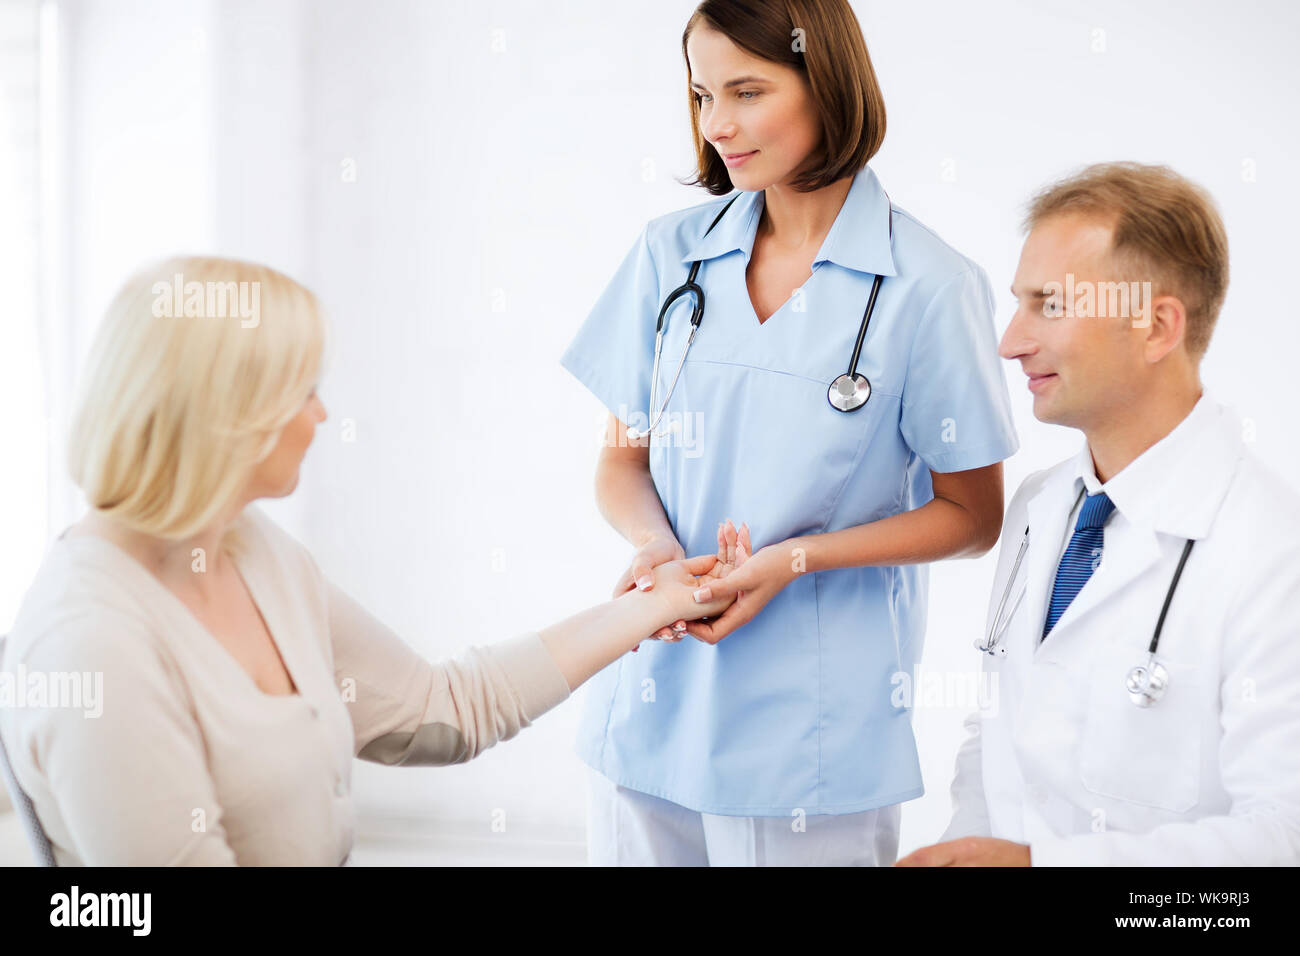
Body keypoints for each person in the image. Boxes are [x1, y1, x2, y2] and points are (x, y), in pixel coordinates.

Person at [0, 256, 742, 866]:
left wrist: (650, 603)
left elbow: (443, 710)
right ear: (231, 415)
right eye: (305, 392)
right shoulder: (90, 640)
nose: (323, 417)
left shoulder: (249, 549)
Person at [560, 0, 1018, 866]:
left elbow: (972, 515)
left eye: (747, 90)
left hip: (809, 729)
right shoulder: (672, 254)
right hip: (652, 692)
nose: (718, 124)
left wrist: (792, 558)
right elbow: (621, 462)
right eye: (701, 95)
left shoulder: (929, 286)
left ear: (827, 85)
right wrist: (657, 551)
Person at [897, 162, 1300, 867]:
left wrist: (1037, 868)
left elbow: (1283, 836)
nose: (1009, 341)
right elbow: (996, 737)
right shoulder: (1040, 507)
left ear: (1156, 326)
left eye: (1048, 305)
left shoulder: (1270, 550)